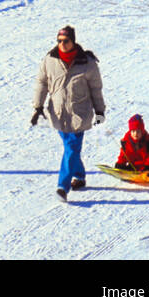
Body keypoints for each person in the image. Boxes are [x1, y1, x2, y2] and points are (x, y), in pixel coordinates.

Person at [31, 24, 105, 202]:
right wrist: (38, 106)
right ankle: (79, 175)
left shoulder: (87, 63)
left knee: (71, 148)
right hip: (58, 114)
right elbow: (42, 83)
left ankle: (62, 186)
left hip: (79, 114)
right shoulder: (50, 60)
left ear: (73, 41)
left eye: (65, 41)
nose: (61, 44)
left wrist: (100, 111)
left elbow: (96, 89)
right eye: (59, 41)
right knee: (71, 148)